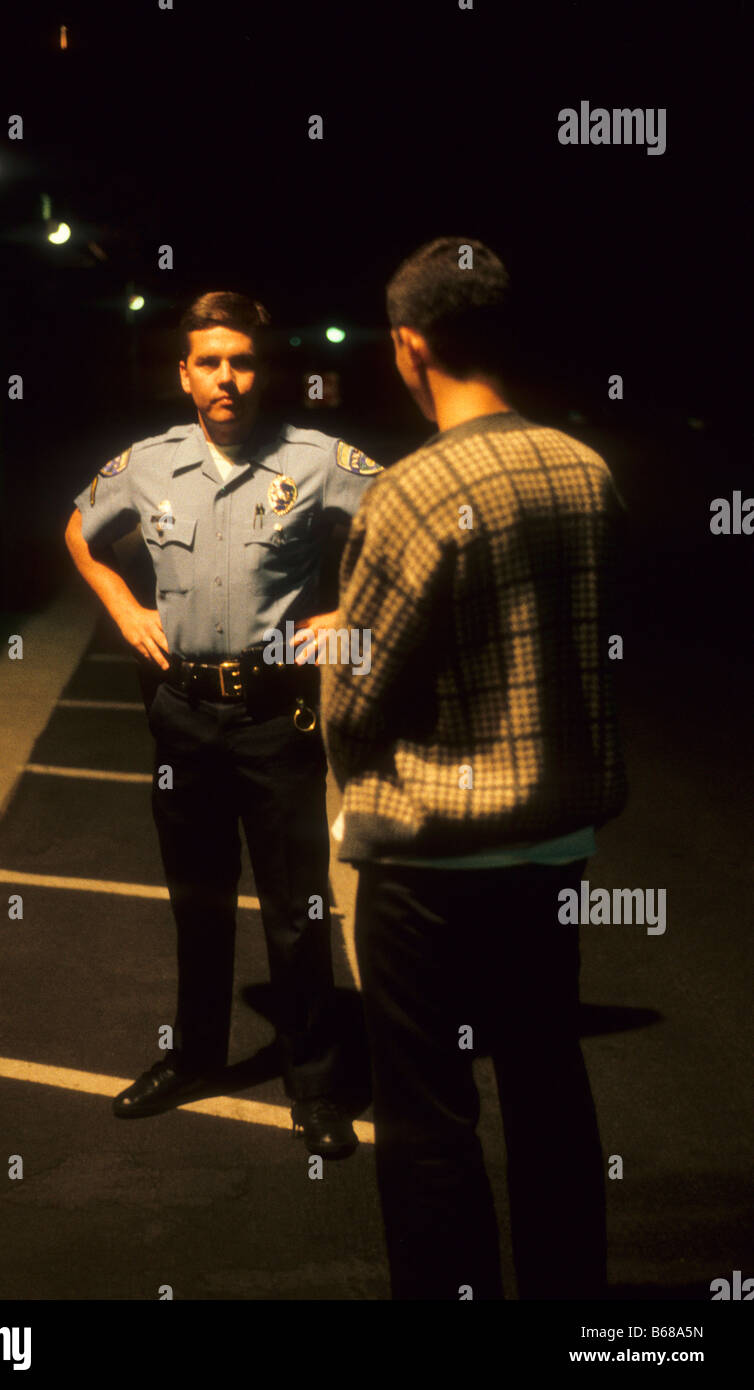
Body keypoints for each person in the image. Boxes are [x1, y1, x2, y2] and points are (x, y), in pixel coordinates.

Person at [322, 237, 628, 1295]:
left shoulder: (411, 491)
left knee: (429, 1117)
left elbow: (360, 693)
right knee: (549, 1087)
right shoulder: (585, 470)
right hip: (553, 845)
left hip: (431, 862)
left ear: (410, 345)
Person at [65, 290, 382, 1159]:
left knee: (296, 911)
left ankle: (315, 1088)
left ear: (261, 368)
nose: (227, 378)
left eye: (241, 361)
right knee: (197, 903)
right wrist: (125, 609)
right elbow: (79, 532)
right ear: (185, 375)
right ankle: (195, 1057)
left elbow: (406, 530)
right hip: (181, 717)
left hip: (277, 716)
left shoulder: (317, 460)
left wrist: (351, 612)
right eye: (210, 362)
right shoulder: (148, 463)